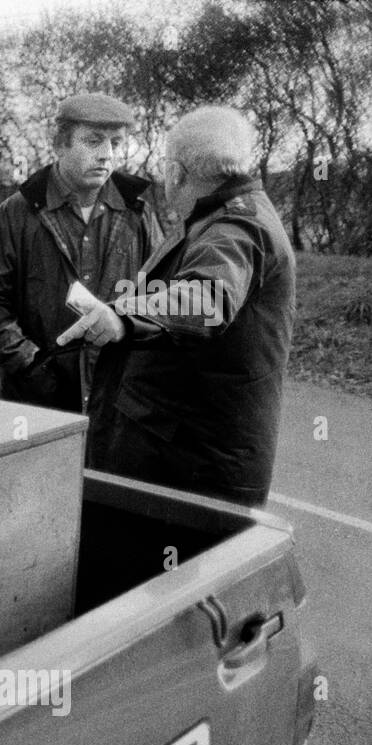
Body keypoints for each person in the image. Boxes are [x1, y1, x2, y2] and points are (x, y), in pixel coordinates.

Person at [57, 105, 296, 507]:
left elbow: (207, 297)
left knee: (163, 569)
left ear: (177, 173)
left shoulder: (236, 227)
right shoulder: (214, 217)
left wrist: (123, 317)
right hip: (186, 460)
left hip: (192, 475)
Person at [0, 93, 163, 413]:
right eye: (93, 141)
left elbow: (160, 297)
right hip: (36, 406)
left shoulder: (137, 214)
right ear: (60, 145)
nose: (107, 155)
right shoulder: (17, 213)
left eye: (115, 143)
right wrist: (32, 366)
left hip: (117, 403)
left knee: (103, 467)